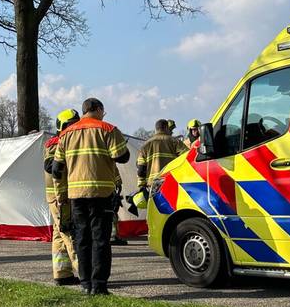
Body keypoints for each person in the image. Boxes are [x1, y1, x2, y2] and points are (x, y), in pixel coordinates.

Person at [51, 97, 129, 295]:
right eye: (103, 111)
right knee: (100, 240)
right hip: (101, 193)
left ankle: (85, 284)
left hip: (76, 195)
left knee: (82, 239)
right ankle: (99, 285)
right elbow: (122, 156)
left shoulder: (66, 134)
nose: (104, 114)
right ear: (98, 109)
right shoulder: (108, 129)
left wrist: (62, 194)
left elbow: (57, 169)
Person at [43, 108, 81, 285]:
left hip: (58, 195)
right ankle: (86, 273)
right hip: (60, 196)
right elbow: (50, 166)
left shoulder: (64, 141)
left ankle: (62, 273)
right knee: (70, 232)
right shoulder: (55, 143)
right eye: (71, 125)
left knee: (59, 234)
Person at [136, 119, 188, 196]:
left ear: (156, 129)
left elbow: (141, 169)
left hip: (152, 186)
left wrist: (141, 185)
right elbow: (188, 157)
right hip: (171, 183)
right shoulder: (175, 142)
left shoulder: (145, 145)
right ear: (166, 128)